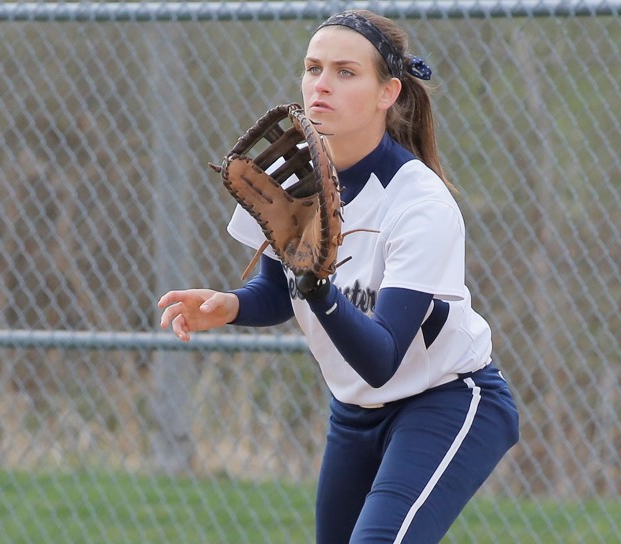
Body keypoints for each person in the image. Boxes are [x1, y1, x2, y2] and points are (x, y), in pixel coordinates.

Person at [158, 9, 519, 543]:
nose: (320, 85)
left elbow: (381, 358)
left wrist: (318, 288)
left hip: (444, 400)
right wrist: (232, 305)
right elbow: (283, 292)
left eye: (345, 72)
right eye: (313, 68)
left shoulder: (420, 203)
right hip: (354, 412)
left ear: (387, 92)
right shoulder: (291, 175)